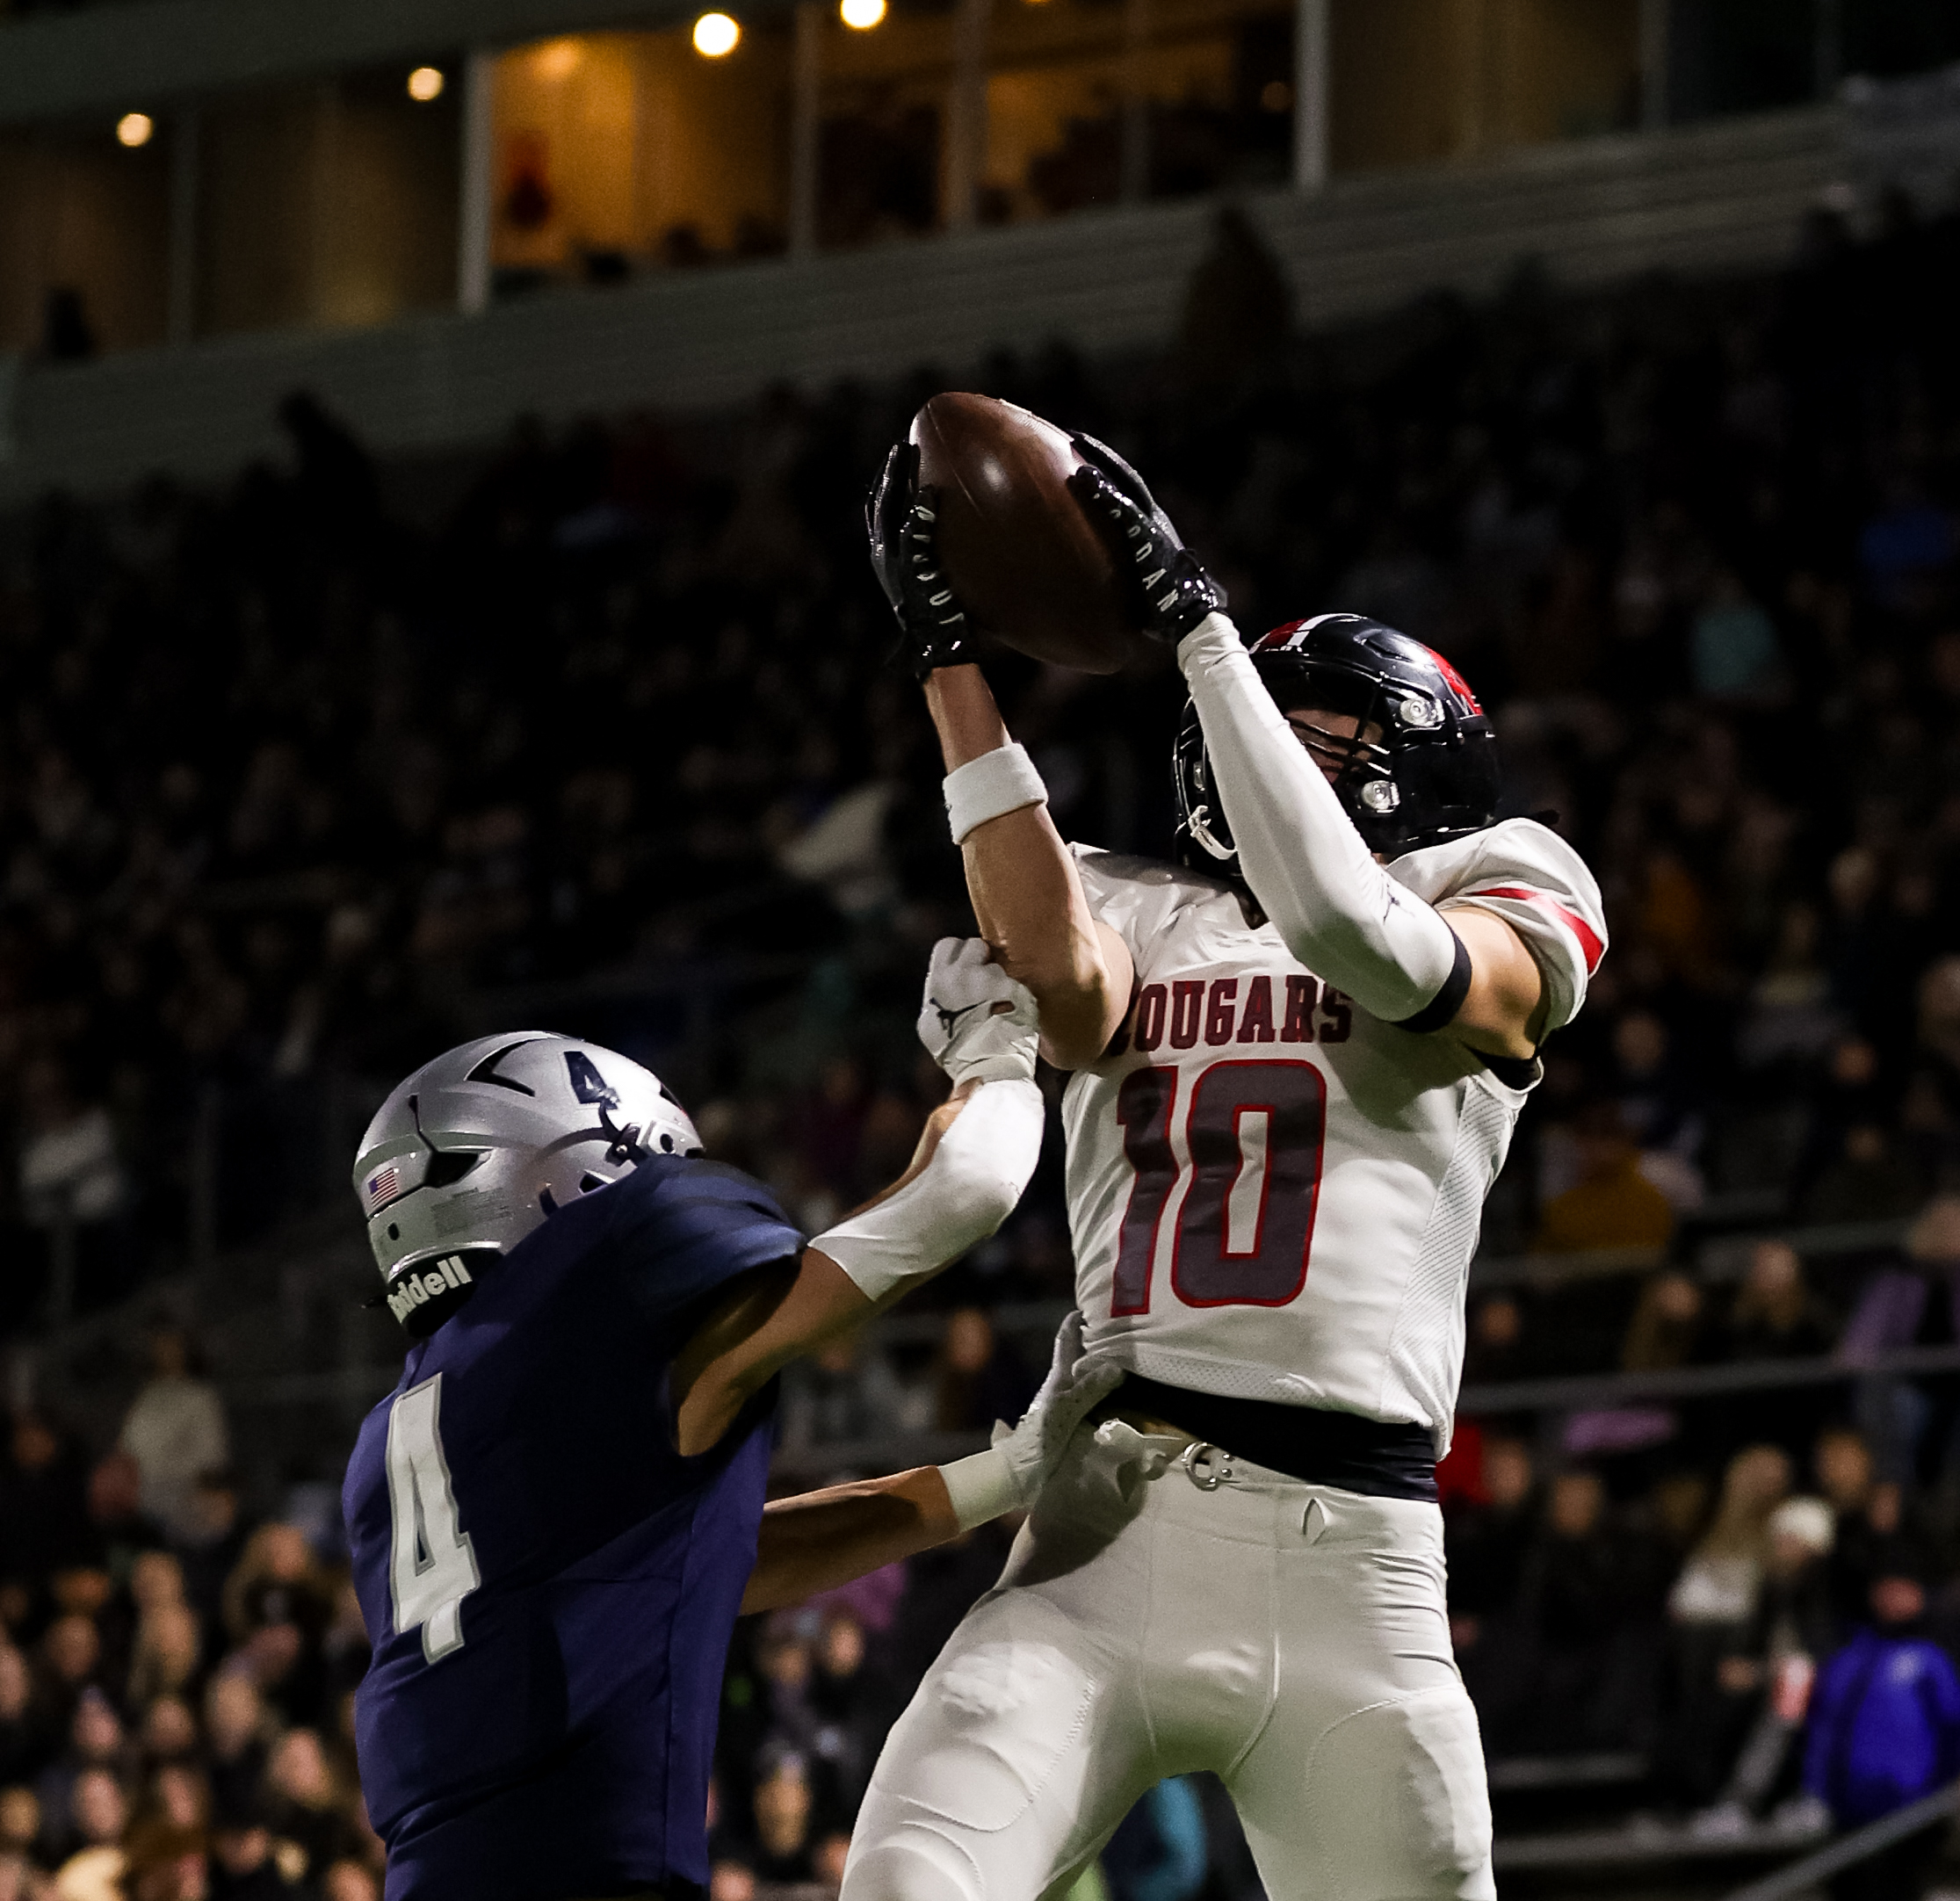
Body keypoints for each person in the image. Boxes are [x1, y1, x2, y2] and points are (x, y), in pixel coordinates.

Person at [851, 435, 1608, 1899]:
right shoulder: (1144, 897)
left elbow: (1353, 937)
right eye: (1278, 727)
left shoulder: (1508, 877)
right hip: (1101, 1524)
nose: (1290, 754)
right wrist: (949, 664)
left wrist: (1203, 627)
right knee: (905, 1882)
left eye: (1330, 735)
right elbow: (1061, 970)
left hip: (1353, 1568)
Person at [342, 1004, 1121, 1901]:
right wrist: (998, 1052)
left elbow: (706, 1568)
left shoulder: (398, 1433)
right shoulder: (589, 1315)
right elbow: (962, 1193)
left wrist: (995, 1478)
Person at [1803, 1566, 1960, 1901]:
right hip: (1847, 1802)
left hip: (1908, 1805)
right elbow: (1822, 1725)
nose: (1891, 1598)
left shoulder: (1930, 1659)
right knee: (1850, 1885)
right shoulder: (1849, 1656)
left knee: (1893, 1883)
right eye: (1884, 1588)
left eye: (1902, 1588)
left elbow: (1951, 1725)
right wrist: (1817, 1786)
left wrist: (1941, 1788)